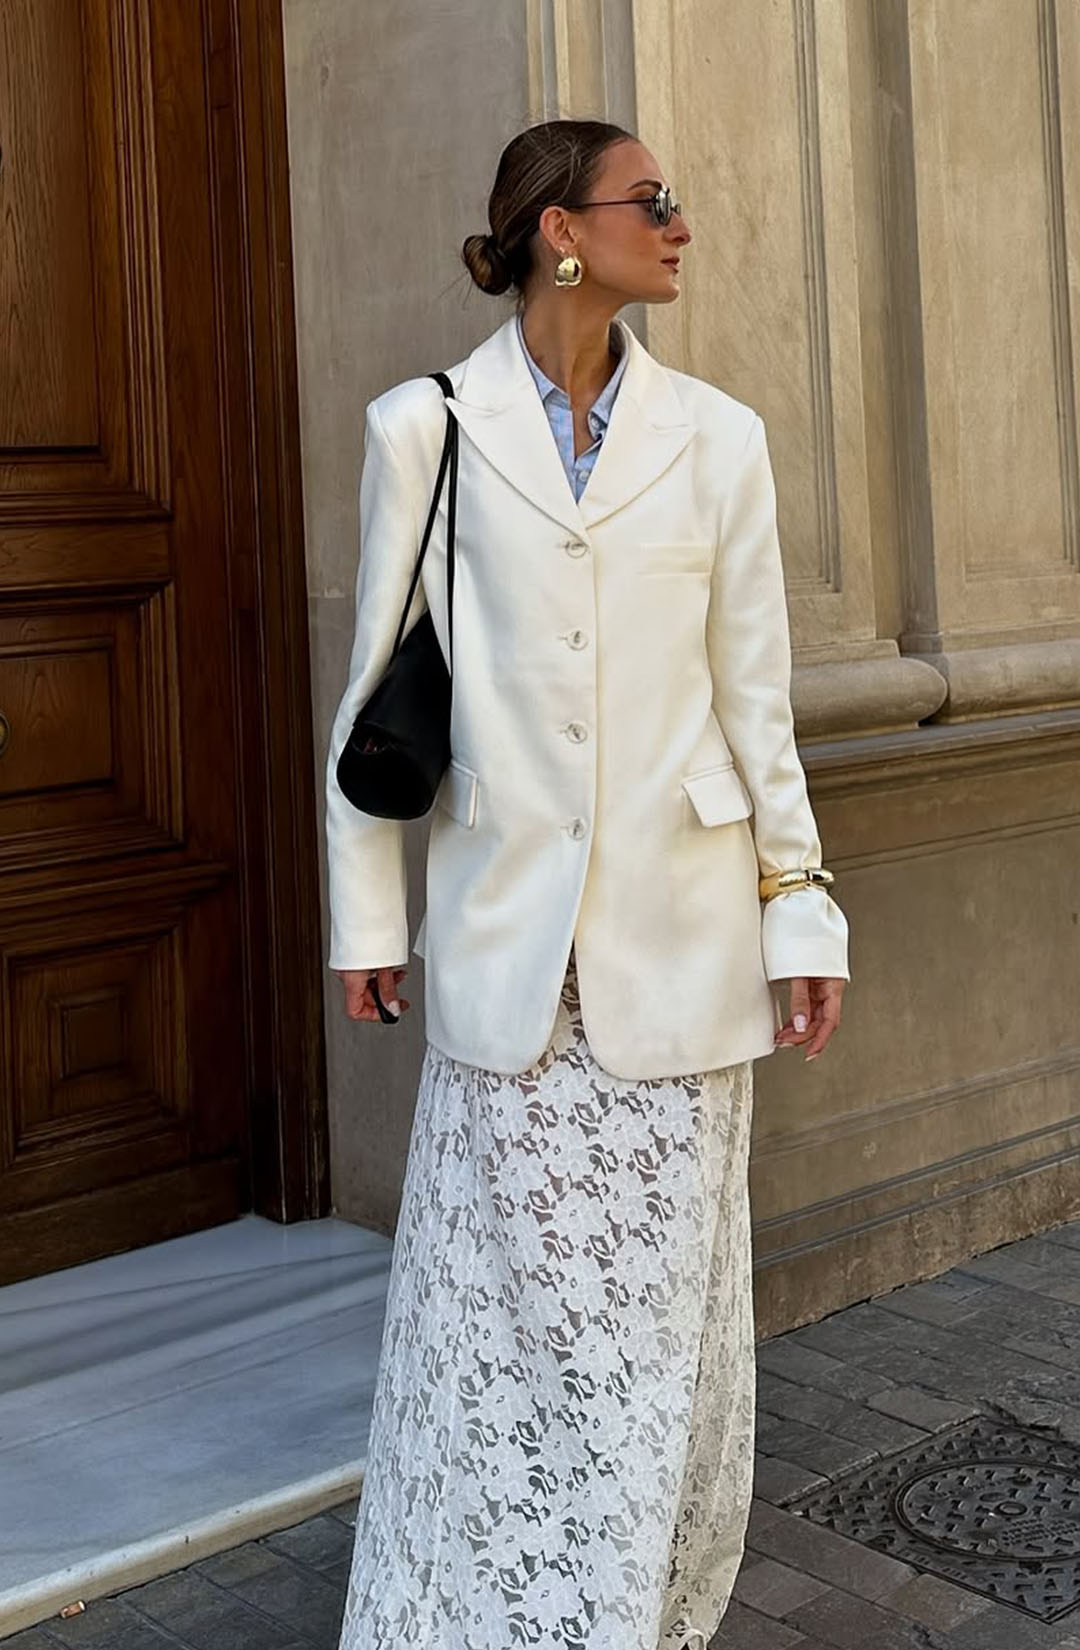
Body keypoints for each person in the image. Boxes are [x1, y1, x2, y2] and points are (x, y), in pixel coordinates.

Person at [327, 119, 849, 1650]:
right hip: (509, 956)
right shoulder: (426, 431)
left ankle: (622, 1621)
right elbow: (372, 702)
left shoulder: (720, 440)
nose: (680, 226)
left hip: (683, 956)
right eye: (652, 201)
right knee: (508, 1349)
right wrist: (369, 919)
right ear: (560, 230)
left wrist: (800, 904)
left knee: (652, 1356)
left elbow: (758, 703)